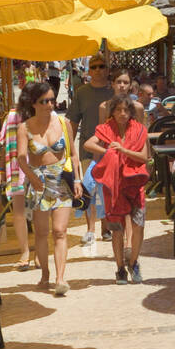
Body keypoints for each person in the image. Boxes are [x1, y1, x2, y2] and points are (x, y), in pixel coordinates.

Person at [20, 80, 84, 296]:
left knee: (60, 231)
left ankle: (60, 278)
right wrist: (31, 177)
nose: (50, 105)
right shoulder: (25, 127)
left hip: (61, 179)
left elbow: (73, 154)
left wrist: (77, 180)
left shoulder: (64, 123)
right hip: (38, 181)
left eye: (52, 100)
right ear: (34, 104)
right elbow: (21, 158)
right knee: (41, 232)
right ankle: (45, 274)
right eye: (44, 101)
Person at [87, 94, 150, 284]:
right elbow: (88, 144)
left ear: (131, 112)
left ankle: (134, 262)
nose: (122, 113)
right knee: (117, 229)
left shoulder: (139, 130)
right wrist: (108, 153)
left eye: (126, 110)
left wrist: (123, 150)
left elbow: (144, 157)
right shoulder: (106, 129)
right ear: (112, 112)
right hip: (113, 185)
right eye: (118, 110)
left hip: (135, 183)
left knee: (138, 226)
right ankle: (120, 268)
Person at [67, 55, 113, 248]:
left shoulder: (114, 92)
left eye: (101, 66)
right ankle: (91, 229)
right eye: (93, 67)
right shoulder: (81, 93)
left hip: (111, 149)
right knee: (90, 189)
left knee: (107, 189)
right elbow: (73, 122)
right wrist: (70, 148)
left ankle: (107, 227)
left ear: (107, 69)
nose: (97, 70)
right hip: (88, 147)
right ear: (89, 70)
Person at [0, 91, 34, 273]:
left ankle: (31, 253)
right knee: (20, 212)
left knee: (34, 212)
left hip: (36, 169)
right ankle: (25, 252)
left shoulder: (44, 116)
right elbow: (5, 145)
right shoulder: (13, 116)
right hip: (17, 169)